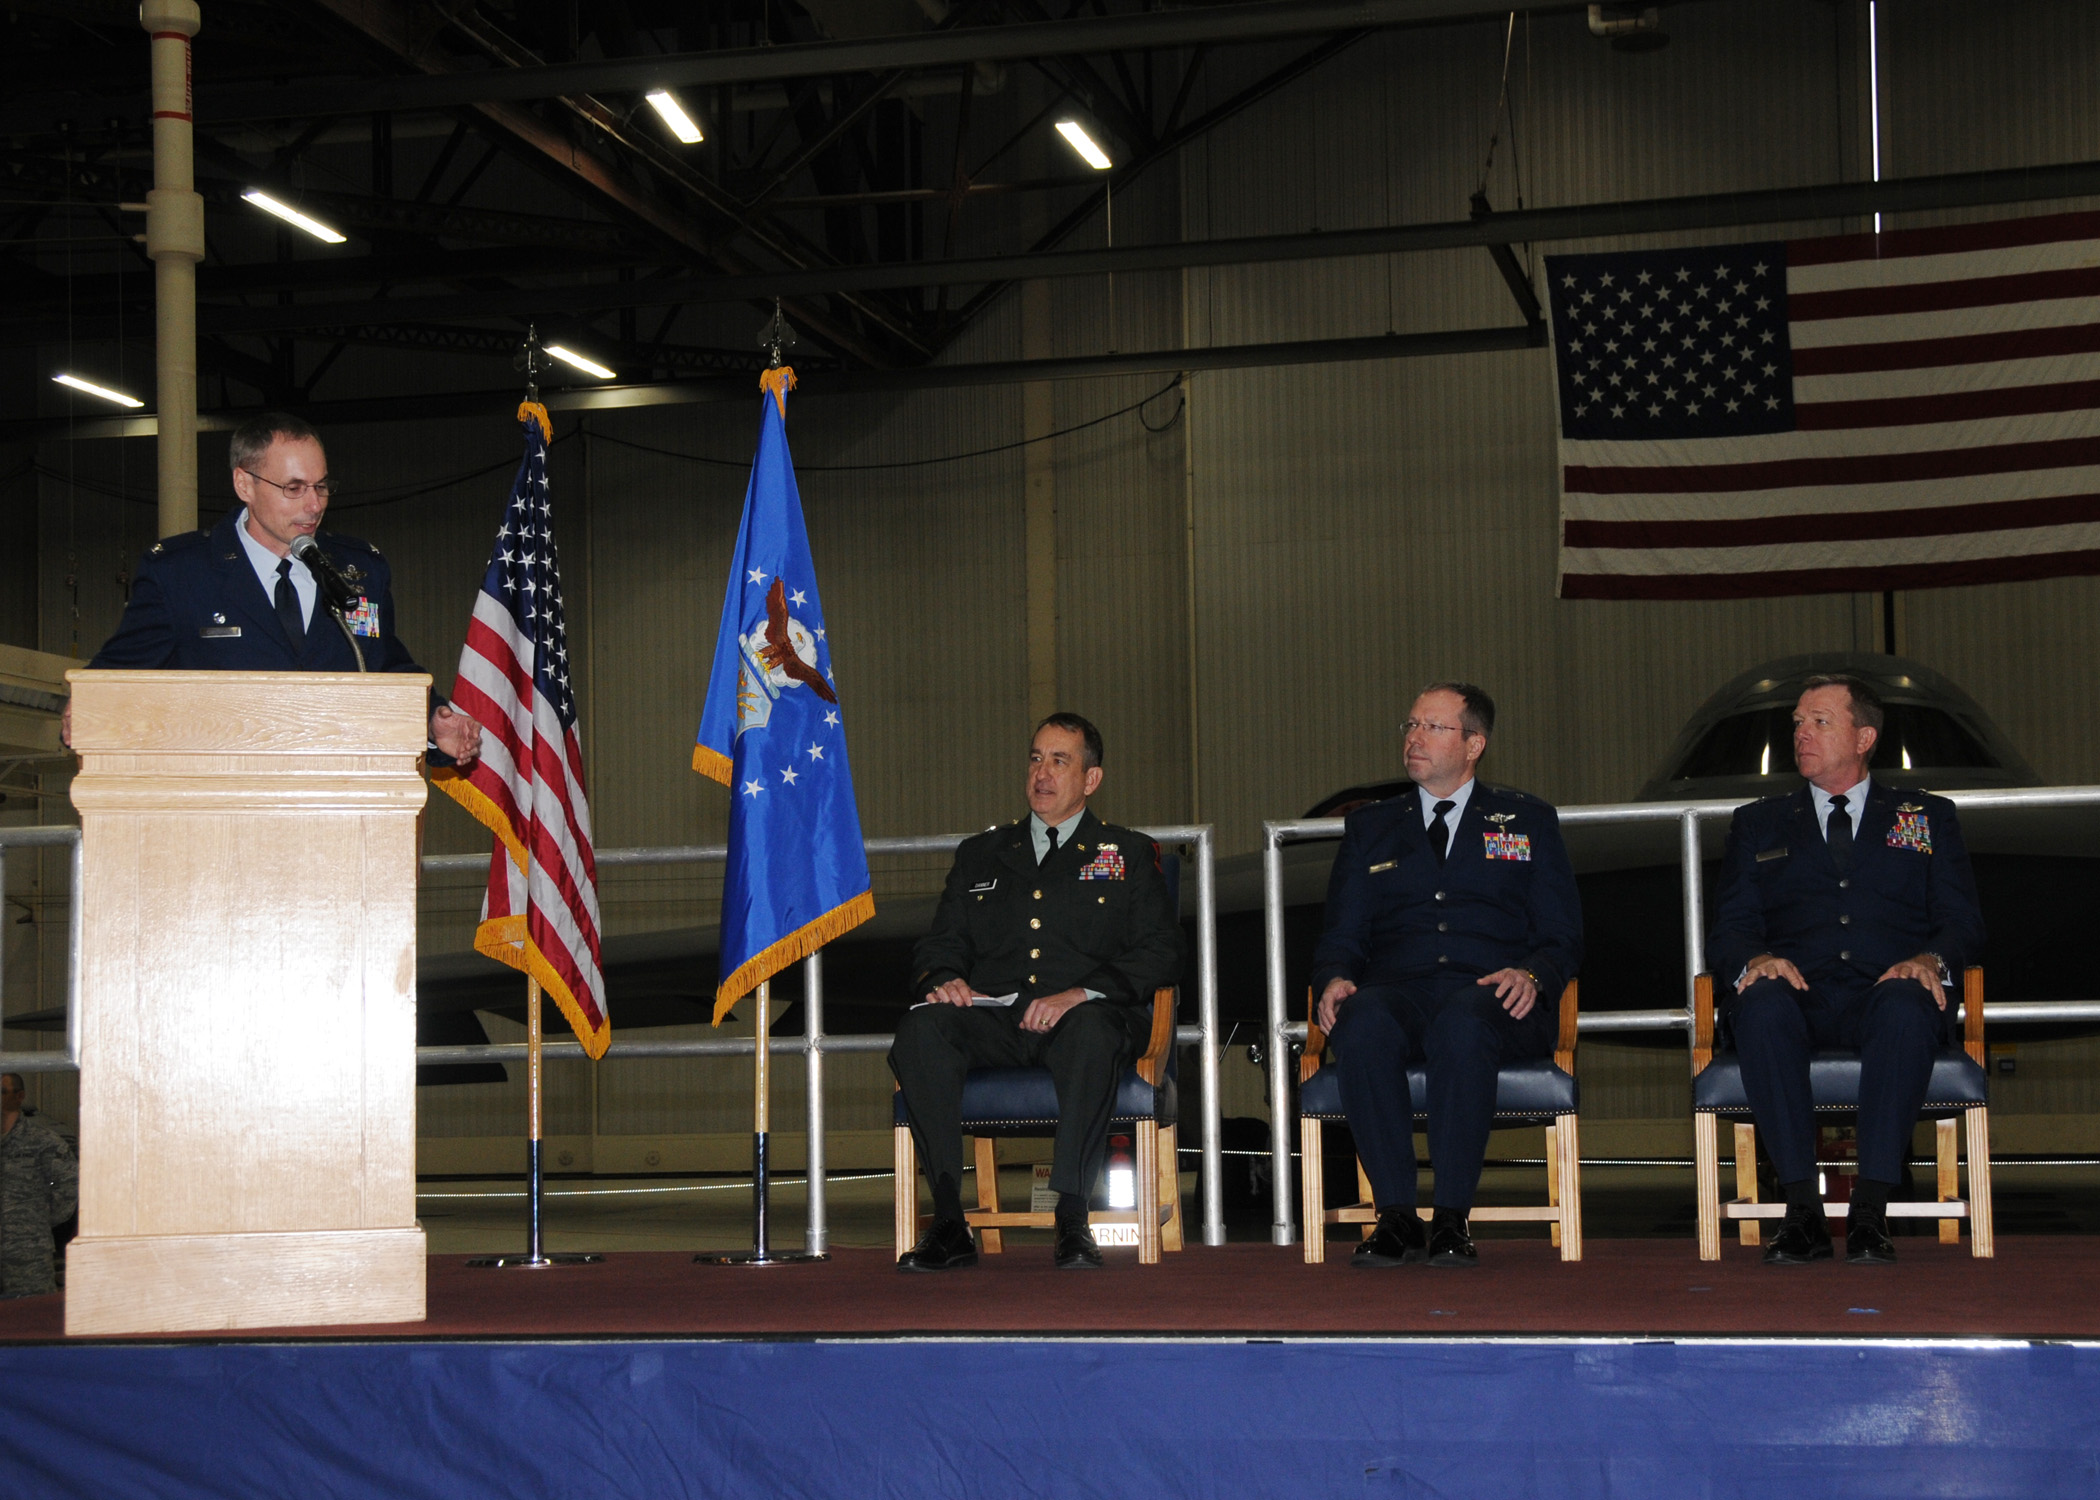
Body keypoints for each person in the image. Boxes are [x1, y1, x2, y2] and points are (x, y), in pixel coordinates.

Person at [890, 713, 1182, 1272]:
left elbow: (1160, 952)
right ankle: (950, 1223)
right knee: (922, 1029)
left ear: (1091, 779)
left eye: (1059, 761)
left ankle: (1072, 1219)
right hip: (996, 1018)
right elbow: (940, 943)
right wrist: (943, 978)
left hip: (1083, 1019)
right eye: (1035, 759)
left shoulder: (1124, 853)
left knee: (1093, 1033)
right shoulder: (982, 853)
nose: (1041, 773)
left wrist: (1082, 993)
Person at [1709, 674, 1983, 1267]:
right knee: (1760, 1005)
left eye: (1819, 722)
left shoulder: (1926, 817)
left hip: (1885, 990)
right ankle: (1802, 1210)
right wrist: (1756, 960)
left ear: (1864, 737)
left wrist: (1928, 960)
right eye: (1797, 724)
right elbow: (1730, 928)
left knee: (1908, 1004)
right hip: (1798, 993)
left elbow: (1961, 922)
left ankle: (1870, 1210)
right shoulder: (1758, 822)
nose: (1801, 734)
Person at [1310, 683, 1582, 1268]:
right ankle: (1396, 1216)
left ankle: (1452, 1217)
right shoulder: (1372, 827)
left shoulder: (1527, 820)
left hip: (1494, 994)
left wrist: (1534, 974)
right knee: (1362, 1022)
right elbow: (1342, 934)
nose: (1415, 738)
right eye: (1411, 725)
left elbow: (1563, 935)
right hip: (1400, 991)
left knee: (1463, 1023)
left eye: (1433, 727)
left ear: (1474, 744)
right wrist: (1333, 977)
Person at [68, 411, 481, 765]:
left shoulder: (359, 570)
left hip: (341, 795)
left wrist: (432, 721)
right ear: (244, 485)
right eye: (294, 488)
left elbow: (383, 666)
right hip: (221, 801)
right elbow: (118, 677)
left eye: (321, 486)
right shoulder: (180, 574)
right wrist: (85, 708)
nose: (314, 505)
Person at [0, 1073, 78, 1299]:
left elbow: (68, 1189)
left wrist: (34, 1222)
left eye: (2, 1092)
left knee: (31, 1315)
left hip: (27, 1258)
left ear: (19, 1096)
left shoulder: (43, 1142)